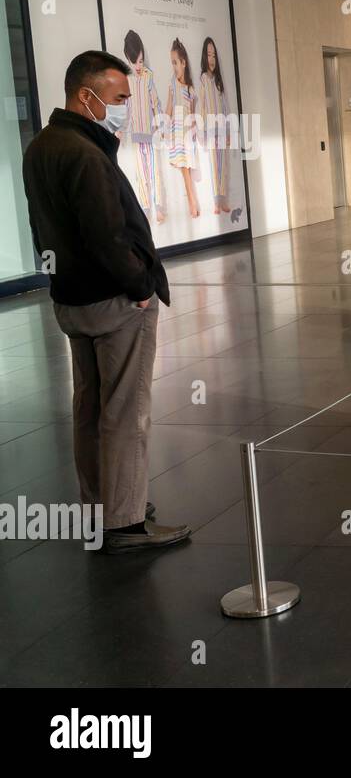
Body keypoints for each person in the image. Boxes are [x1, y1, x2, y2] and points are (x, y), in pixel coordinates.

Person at [21, 50, 190, 553]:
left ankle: (101, 505)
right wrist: (139, 287)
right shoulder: (84, 153)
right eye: (118, 98)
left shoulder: (44, 146)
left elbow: (46, 228)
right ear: (85, 94)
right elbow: (106, 234)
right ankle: (124, 522)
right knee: (125, 410)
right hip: (114, 301)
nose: (123, 108)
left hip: (72, 299)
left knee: (90, 407)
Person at [121, 30, 165, 225]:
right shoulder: (126, 78)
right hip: (136, 133)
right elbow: (125, 107)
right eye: (135, 61)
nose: (139, 65)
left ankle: (158, 208)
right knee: (141, 174)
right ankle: (146, 209)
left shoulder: (148, 76)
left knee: (155, 172)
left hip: (151, 132)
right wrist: (121, 130)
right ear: (127, 59)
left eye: (141, 60)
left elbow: (155, 102)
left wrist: (160, 125)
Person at [164, 38, 200, 218]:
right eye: (172, 63)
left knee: (187, 168)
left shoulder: (190, 89)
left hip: (187, 134)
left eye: (176, 62)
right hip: (177, 132)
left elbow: (192, 115)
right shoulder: (173, 85)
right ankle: (192, 203)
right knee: (185, 169)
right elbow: (169, 108)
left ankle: (193, 202)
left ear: (184, 63)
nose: (174, 67)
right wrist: (164, 128)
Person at [196, 36, 233, 214]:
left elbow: (225, 106)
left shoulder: (218, 81)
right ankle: (216, 202)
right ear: (205, 57)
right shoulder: (203, 78)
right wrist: (201, 132)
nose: (211, 59)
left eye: (214, 55)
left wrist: (228, 132)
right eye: (209, 55)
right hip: (210, 131)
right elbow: (201, 106)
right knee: (214, 166)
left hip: (221, 129)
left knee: (223, 166)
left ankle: (223, 200)